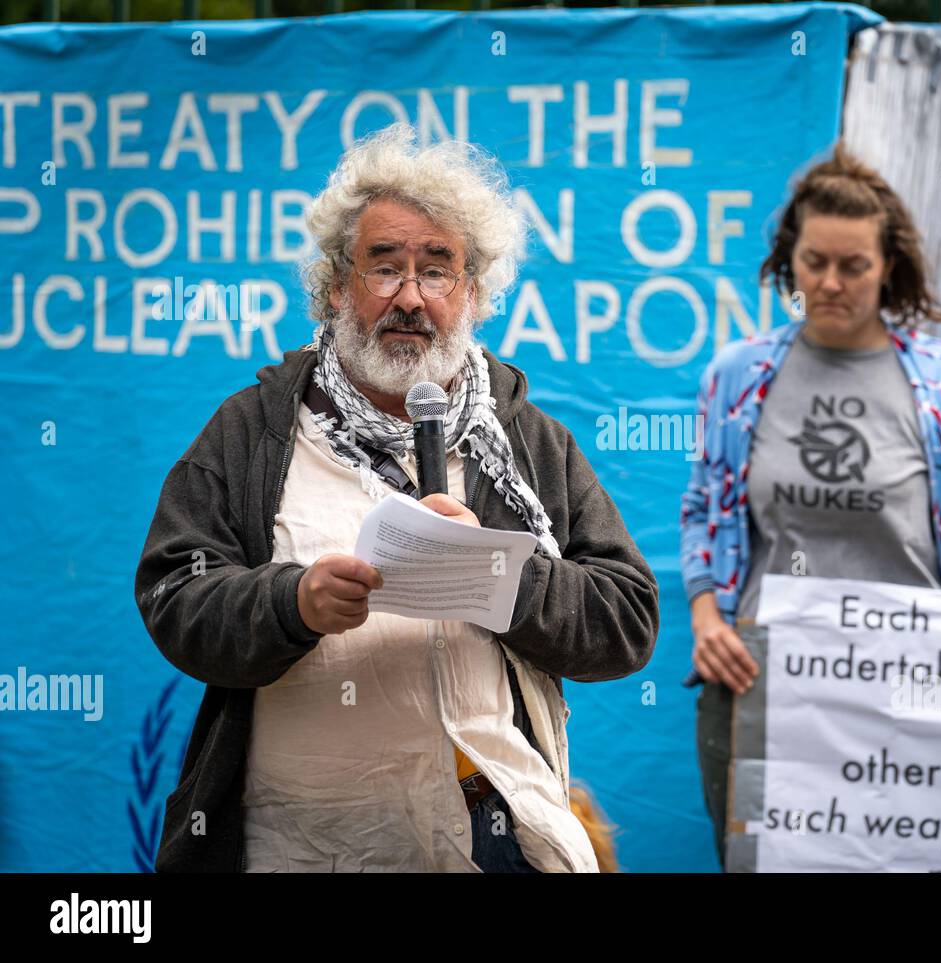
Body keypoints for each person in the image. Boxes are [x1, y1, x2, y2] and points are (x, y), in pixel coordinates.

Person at [135, 123, 659, 873]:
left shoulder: (531, 442)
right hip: (306, 842)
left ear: (473, 291)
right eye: (384, 268)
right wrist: (295, 604)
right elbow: (173, 594)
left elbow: (627, 619)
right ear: (336, 287)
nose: (410, 297)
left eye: (437, 270)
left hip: (492, 834)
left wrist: (495, 575)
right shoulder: (250, 431)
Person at [679, 142, 941, 869]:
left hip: (914, 688)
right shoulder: (737, 377)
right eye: (814, 262)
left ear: (889, 265)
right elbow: (704, 511)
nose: (830, 282)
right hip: (761, 686)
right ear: (788, 261)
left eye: (854, 265)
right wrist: (707, 616)